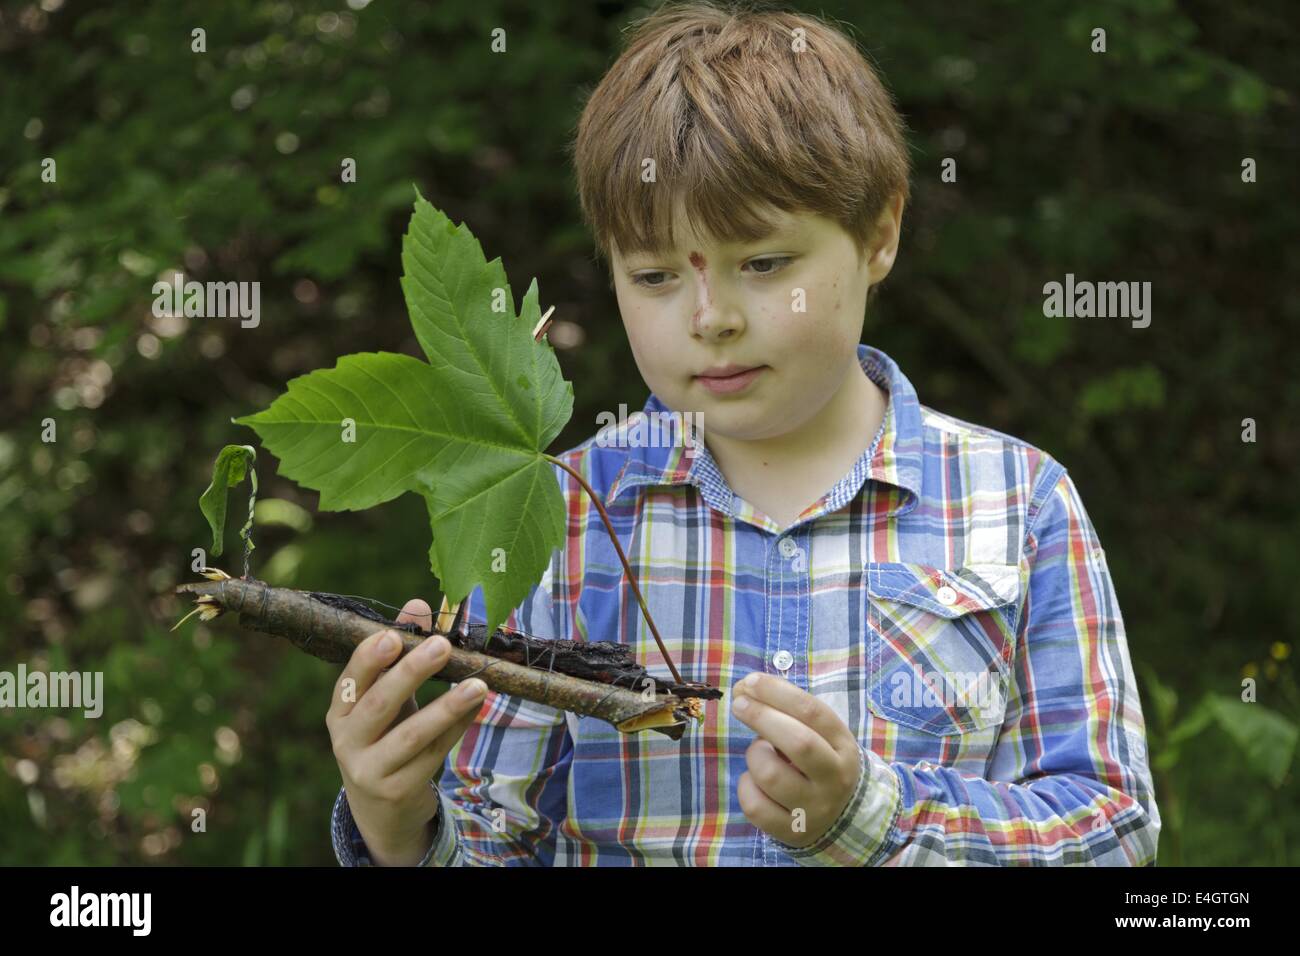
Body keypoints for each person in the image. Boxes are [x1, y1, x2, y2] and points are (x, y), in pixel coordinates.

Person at [327, 0, 1160, 866]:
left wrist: (870, 820)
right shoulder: (558, 520)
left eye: (762, 264)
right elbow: (498, 836)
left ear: (879, 236)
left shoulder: (1016, 503)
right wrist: (401, 831)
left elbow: (1112, 830)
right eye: (653, 274)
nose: (712, 317)